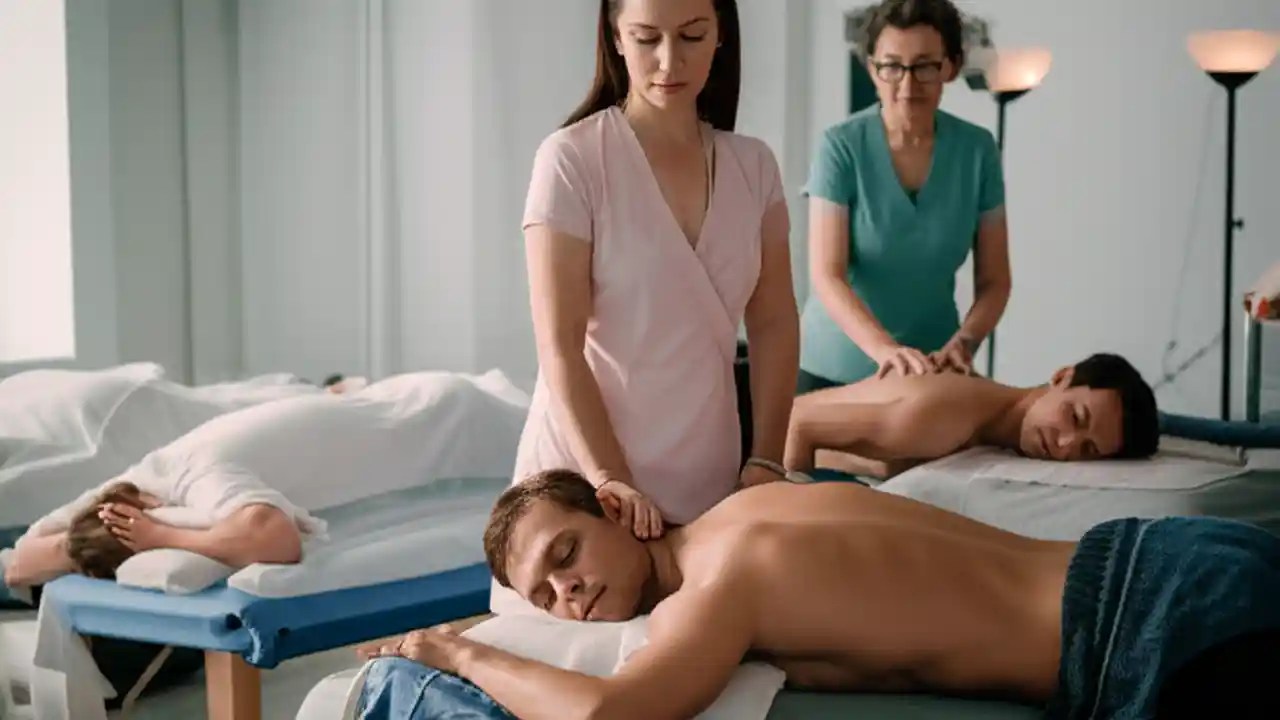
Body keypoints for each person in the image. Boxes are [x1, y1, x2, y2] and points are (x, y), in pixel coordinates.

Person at [358, 470, 1280, 719]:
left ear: (614, 508)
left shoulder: (716, 588)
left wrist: (451, 649)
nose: (569, 591)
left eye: (566, 552)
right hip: (1159, 559)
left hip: (1150, 631)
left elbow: (609, 716)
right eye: (546, 594)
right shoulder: (755, 504)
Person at [513, 0, 799, 547]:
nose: (669, 61)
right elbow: (559, 346)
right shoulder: (572, 160)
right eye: (647, 38)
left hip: (708, 478)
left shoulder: (754, 166)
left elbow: (774, 323)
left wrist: (767, 458)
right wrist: (610, 479)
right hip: (585, 485)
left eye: (692, 36)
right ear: (616, 38)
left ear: (720, 35)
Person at [798, 0, 1009, 392]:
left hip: (932, 371)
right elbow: (827, 275)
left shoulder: (978, 151)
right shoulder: (840, 146)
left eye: (925, 66)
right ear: (872, 68)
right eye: (892, 67)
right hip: (831, 372)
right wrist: (886, 351)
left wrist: (965, 343)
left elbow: (996, 281)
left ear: (950, 67)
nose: (908, 86)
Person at [785, 352, 1160, 477]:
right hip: (761, 433)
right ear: (1062, 376)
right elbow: (799, 424)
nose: (1065, 445)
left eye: (1087, 450)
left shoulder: (986, 419)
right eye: (1075, 417)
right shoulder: (942, 416)